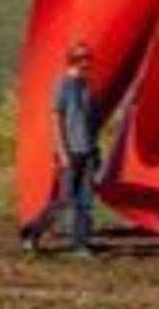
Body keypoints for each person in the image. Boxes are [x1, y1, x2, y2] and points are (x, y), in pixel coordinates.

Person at [22, 38, 102, 257]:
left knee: (85, 201)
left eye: (88, 57)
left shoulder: (86, 85)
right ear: (73, 60)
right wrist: (62, 151)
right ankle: (31, 233)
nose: (87, 61)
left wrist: (95, 149)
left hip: (86, 150)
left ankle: (81, 245)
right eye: (82, 57)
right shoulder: (62, 84)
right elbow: (56, 118)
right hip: (69, 151)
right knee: (63, 198)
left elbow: (89, 121)